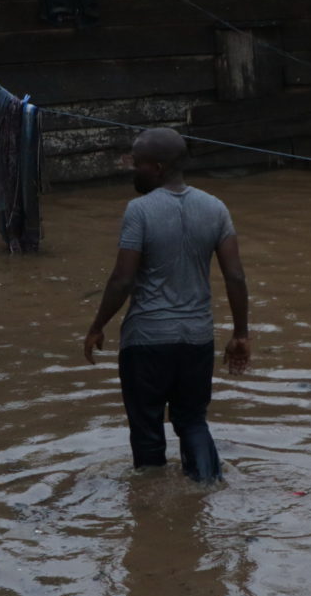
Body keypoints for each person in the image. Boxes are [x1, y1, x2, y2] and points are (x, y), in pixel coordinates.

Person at [82, 129, 250, 482]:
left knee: (146, 429)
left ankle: (151, 511)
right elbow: (235, 276)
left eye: (136, 163)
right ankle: (206, 486)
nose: (132, 169)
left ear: (157, 168)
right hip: (197, 339)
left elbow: (122, 280)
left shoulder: (139, 211)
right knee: (192, 420)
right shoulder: (216, 207)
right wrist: (240, 333)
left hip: (146, 341)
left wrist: (98, 325)